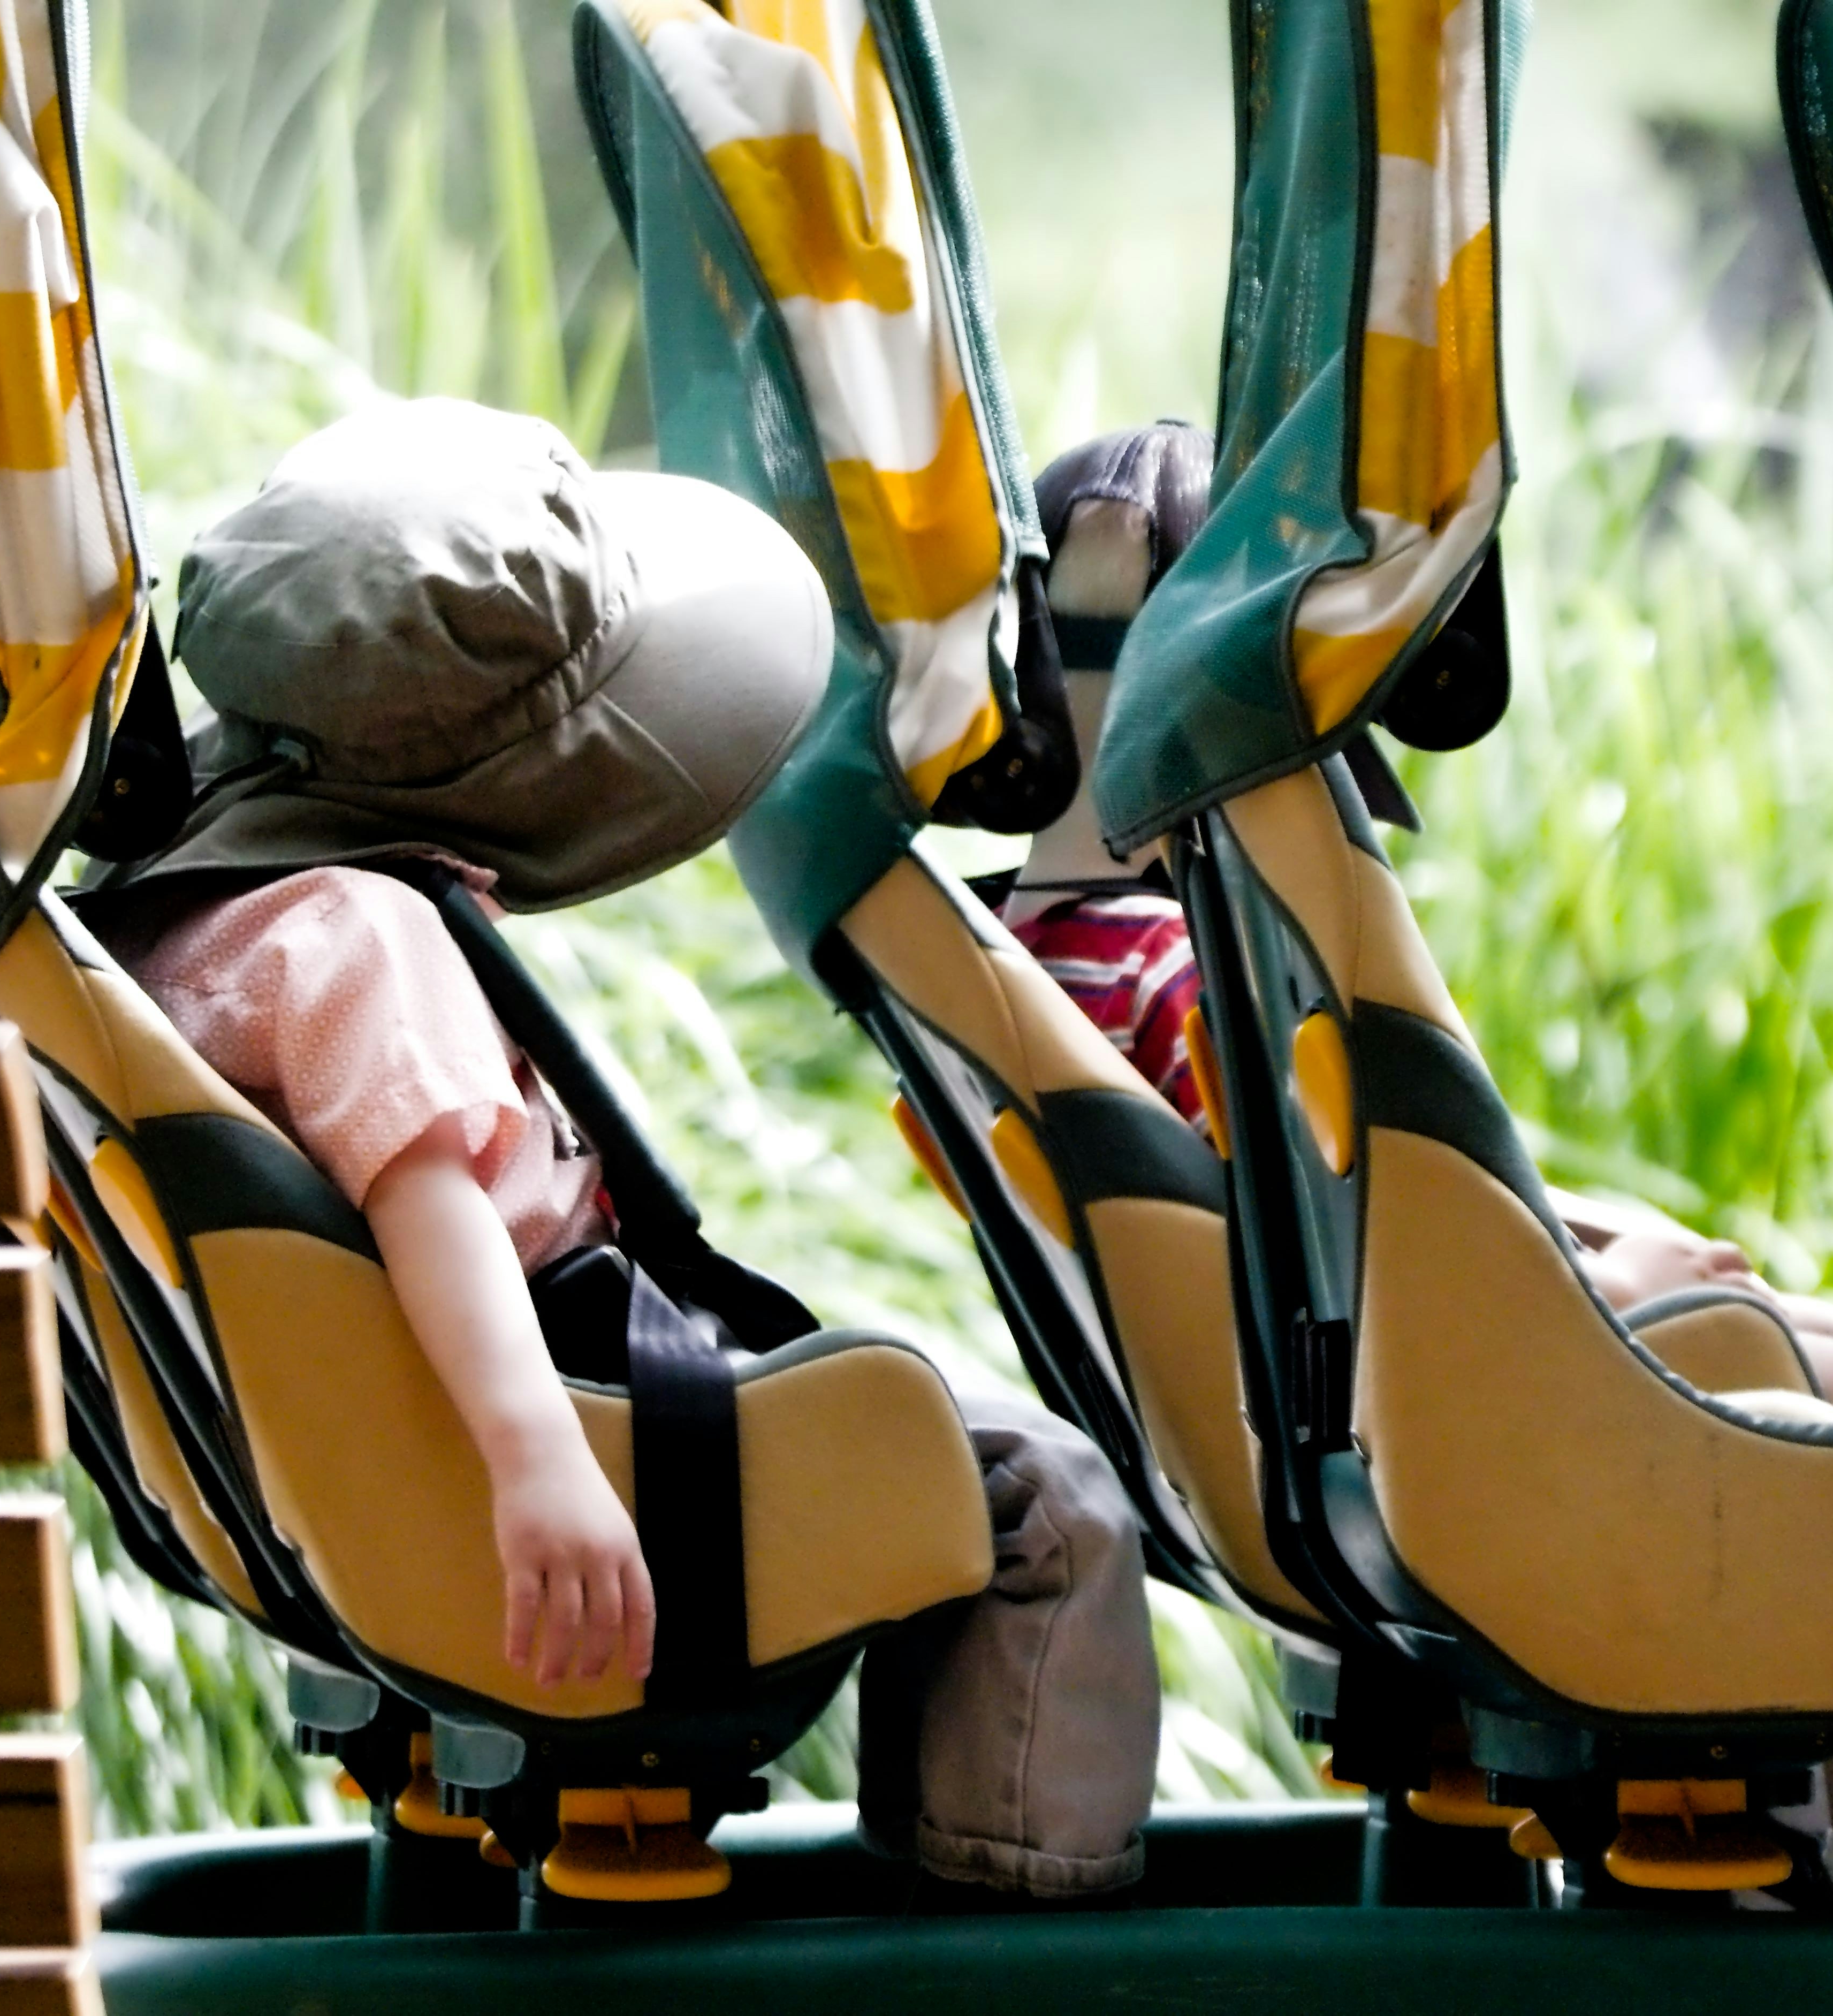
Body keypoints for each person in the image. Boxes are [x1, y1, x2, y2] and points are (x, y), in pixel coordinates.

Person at [82, 399, 1161, 1906]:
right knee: (1040, 1493)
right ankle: (1015, 1908)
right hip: (575, 1426)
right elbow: (428, 1191)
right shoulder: (358, 937)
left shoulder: (164, 939)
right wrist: (539, 1467)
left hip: (390, 1482)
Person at [1008, 421, 1833, 1912]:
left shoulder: (1043, 961)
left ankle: (1791, 1830)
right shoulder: (1199, 978)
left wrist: (1581, 1239)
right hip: (1418, 1420)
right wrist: (1610, 1277)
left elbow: (1297, 1208)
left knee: (1804, 1347)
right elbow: (1370, 1240)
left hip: (1300, 1421)